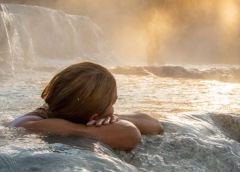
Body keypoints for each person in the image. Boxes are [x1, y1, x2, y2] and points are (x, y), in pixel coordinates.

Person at [9, 62, 163, 150]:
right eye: (113, 103)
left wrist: (112, 117)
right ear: (93, 116)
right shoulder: (31, 124)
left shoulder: (62, 112)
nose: (113, 109)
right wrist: (91, 128)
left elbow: (155, 124)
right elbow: (130, 134)